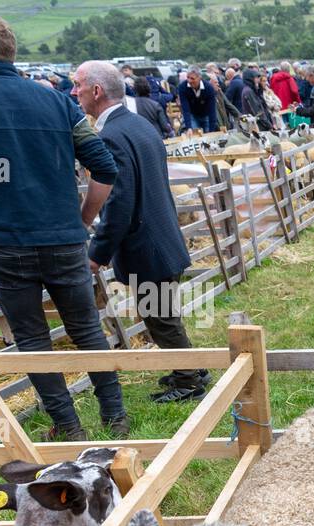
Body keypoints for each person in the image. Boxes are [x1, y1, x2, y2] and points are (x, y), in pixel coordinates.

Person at [0, 13, 125, 441]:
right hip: (63, 235)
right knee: (85, 326)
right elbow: (104, 168)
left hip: (1, 238)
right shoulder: (57, 100)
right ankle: (116, 416)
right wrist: (81, 220)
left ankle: (69, 427)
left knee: (31, 336)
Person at [75, 61, 203, 404]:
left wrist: (96, 255)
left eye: (79, 86)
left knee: (160, 317)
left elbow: (119, 204)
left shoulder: (111, 136)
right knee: (165, 312)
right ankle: (189, 367)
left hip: (146, 244)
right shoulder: (139, 125)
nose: (75, 92)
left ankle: (189, 381)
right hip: (161, 237)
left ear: (97, 91)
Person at [177, 67, 217, 132]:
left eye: (192, 78)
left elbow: (212, 111)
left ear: (200, 78)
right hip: (192, 115)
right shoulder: (182, 87)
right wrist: (189, 127)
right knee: (194, 135)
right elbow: (185, 109)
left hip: (206, 115)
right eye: (188, 77)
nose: (189, 81)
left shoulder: (209, 88)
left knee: (209, 136)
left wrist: (211, 131)